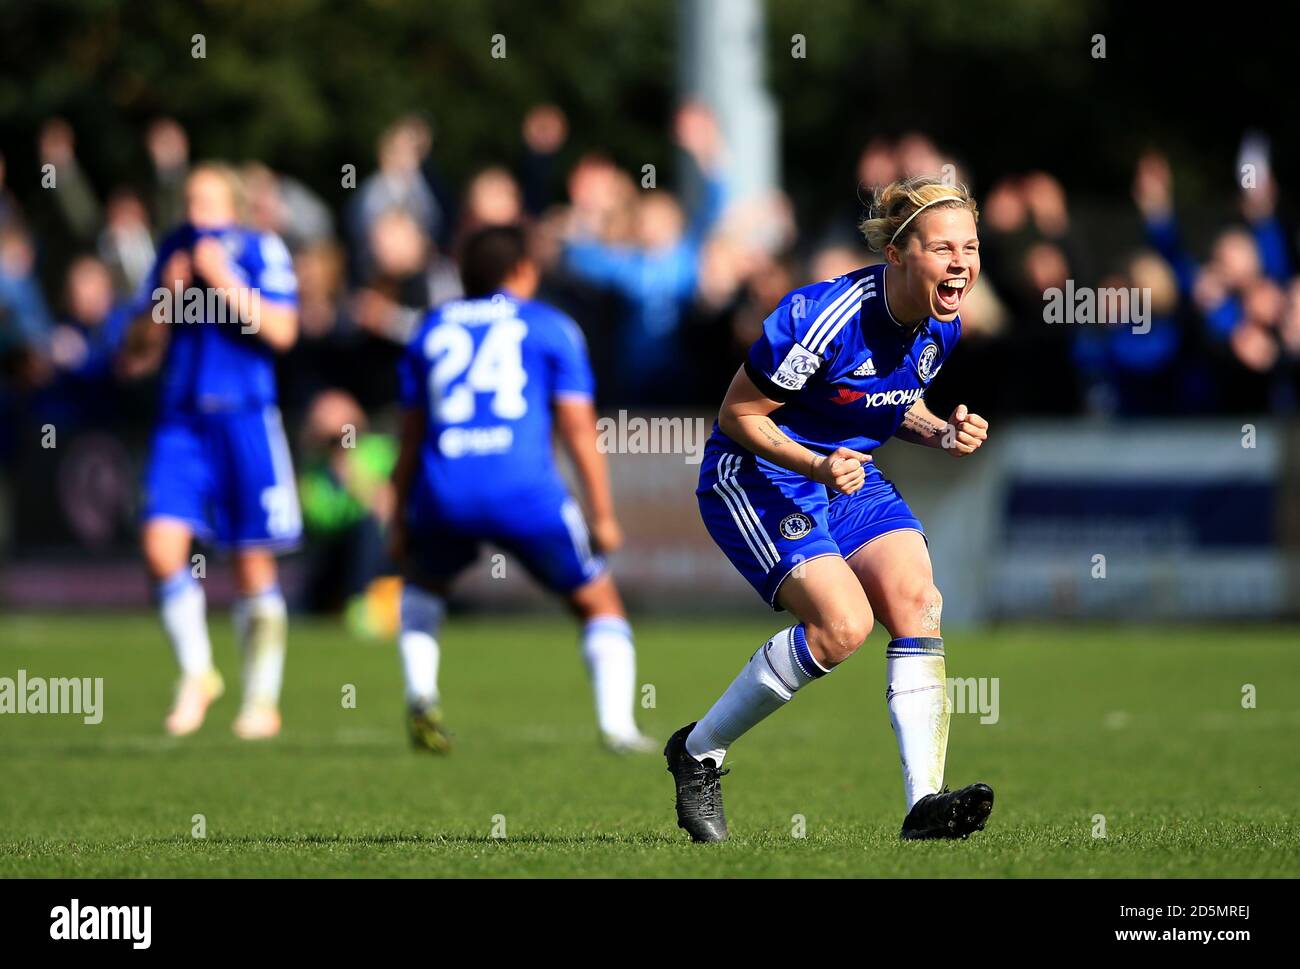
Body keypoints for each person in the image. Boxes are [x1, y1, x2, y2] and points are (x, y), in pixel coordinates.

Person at [664, 174, 994, 842]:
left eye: (971, 245)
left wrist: (939, 431)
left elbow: (892, 402)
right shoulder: (818, 317)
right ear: (898, 254)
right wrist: (814, 463)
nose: (961, 261)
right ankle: (697, 752)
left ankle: (923, 805)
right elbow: (737, 414)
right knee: (842, 627)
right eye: (943, 248)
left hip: (847, 476)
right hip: (758, 472)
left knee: (917, 598)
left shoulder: (942, 324)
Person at [389, 224, 653, 754]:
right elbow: (579, 430)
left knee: (423, 584)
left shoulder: (429, 327)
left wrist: (397, 517)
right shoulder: (551, 326)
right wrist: (601, 513)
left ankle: (421, 695)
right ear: (522, 271)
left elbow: (410, 436)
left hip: (446, 491)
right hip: (524, 492)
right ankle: (618, 729)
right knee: (598, 601)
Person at [118, 163, 301, 740]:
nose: (195, 211)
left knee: (251, 560)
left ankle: (261, 700)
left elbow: (282, 331)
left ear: (234, 206)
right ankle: (197, 672)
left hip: (243, 416)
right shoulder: (172, 250)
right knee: (160, 547)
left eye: (208, 201)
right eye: (189, 200)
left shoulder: (259, 249)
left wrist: (223, 280)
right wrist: (166, 302)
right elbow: (139, 348)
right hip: (183, 421)